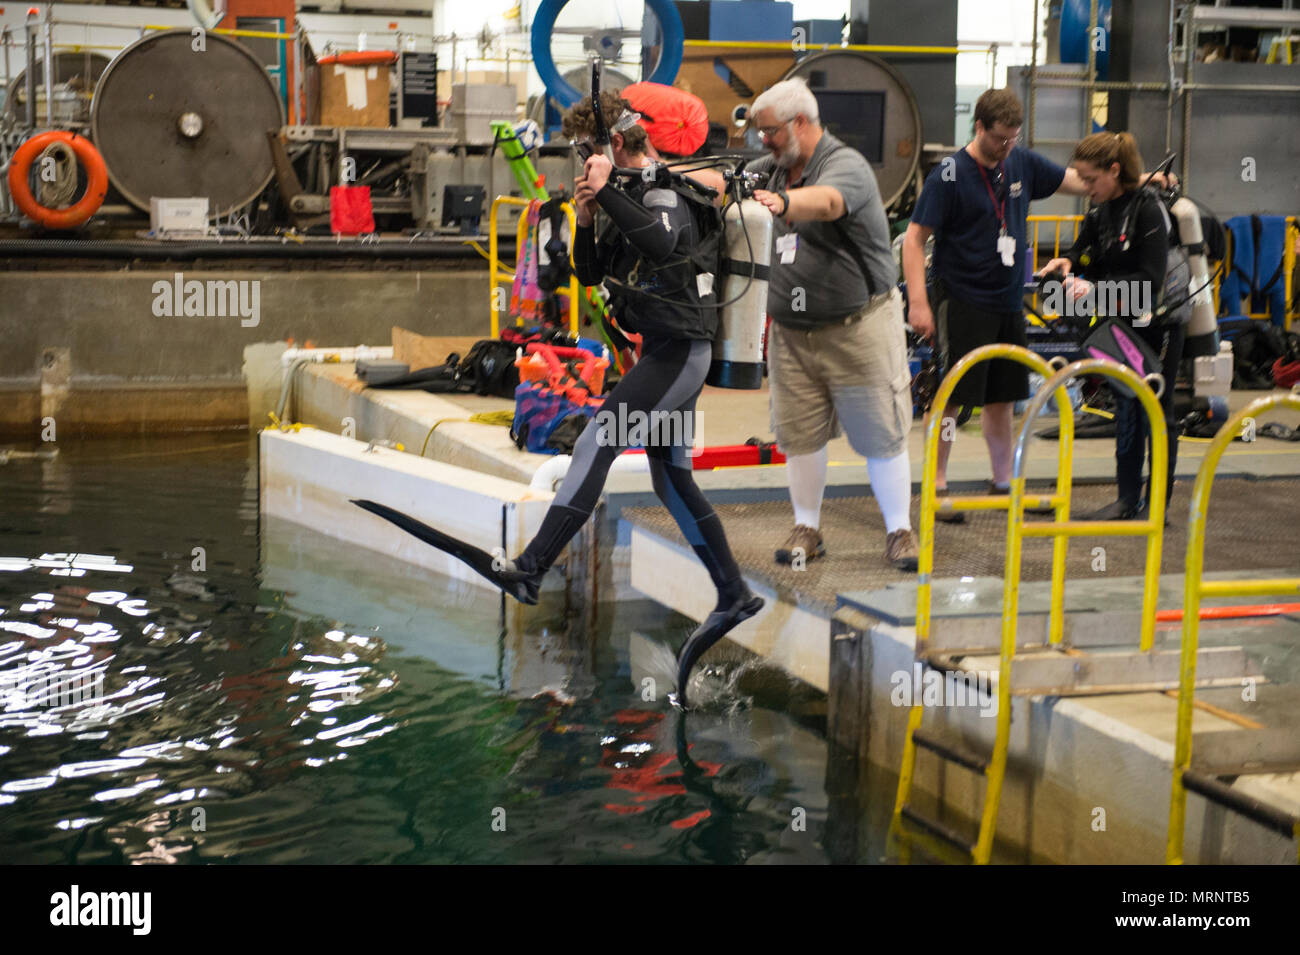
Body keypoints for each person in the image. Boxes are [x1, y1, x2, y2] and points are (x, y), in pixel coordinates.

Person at [746, 78, 919, 572]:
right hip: (791, 334)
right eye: (759, 133)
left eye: (771, 131)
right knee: (799, 435)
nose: (764, 141)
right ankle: (807, 528)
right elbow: (727, 182)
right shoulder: (773, 169)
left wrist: (782, 204)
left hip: (858, 326)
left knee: (881, 433)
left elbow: (827, 203)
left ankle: (899, 532)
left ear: (801, 123)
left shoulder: (846, 166)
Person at [1040, 131, 1183, 521]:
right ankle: (1125, 499)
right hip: (1121, 319)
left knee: (1156, 408)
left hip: (1160, 322)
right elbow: (1082, 251)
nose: (1085, 187)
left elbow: (1150, 280)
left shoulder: (1148, 210)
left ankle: (1157, 506)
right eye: (1081, 179)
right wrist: (1067, 265)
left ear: (1114, 170)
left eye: (1090, 179)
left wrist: (1094, 288)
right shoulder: (1099, 211)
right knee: (1126, 403)